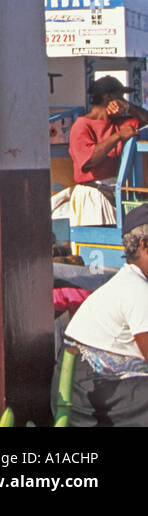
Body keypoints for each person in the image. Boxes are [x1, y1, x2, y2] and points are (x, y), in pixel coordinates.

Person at [57, 204, 148, 425]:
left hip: (87, 387)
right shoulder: (137, 289)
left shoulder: (129, 280)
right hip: (90, 392)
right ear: (145, 245)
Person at [57, 77, 147, 226]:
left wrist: (128, 107)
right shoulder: (82, 125)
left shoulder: (120, 123)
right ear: (109, 97)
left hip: (116, 192)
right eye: (121, 96)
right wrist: (117, 136)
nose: (122, 101)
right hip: (93, 195)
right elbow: (88, 160)